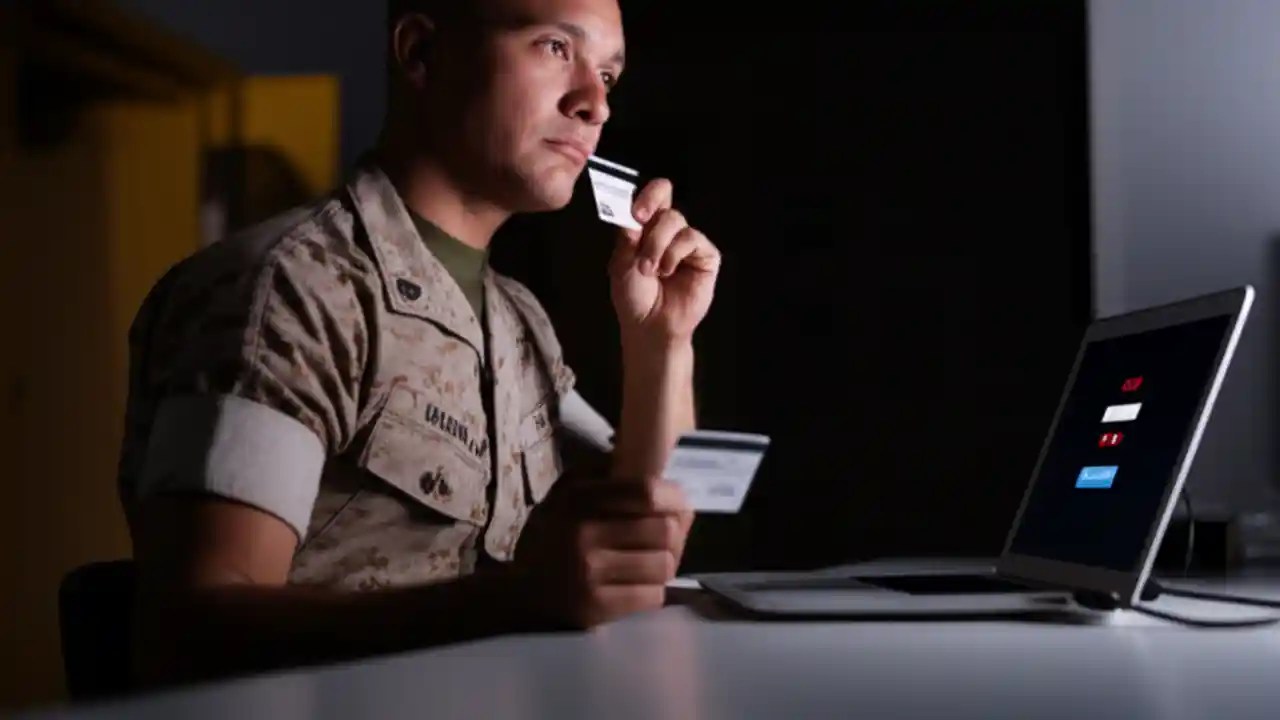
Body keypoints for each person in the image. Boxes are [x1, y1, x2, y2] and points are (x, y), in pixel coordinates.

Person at [115, 0, 721, 688]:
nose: (595, 104)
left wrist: (662, 341)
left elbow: (643, 541)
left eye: (608, 76)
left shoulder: (518, 321)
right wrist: (512, 602)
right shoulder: (290, 289)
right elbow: (186, 635)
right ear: (420, 53)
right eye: (555, 47)